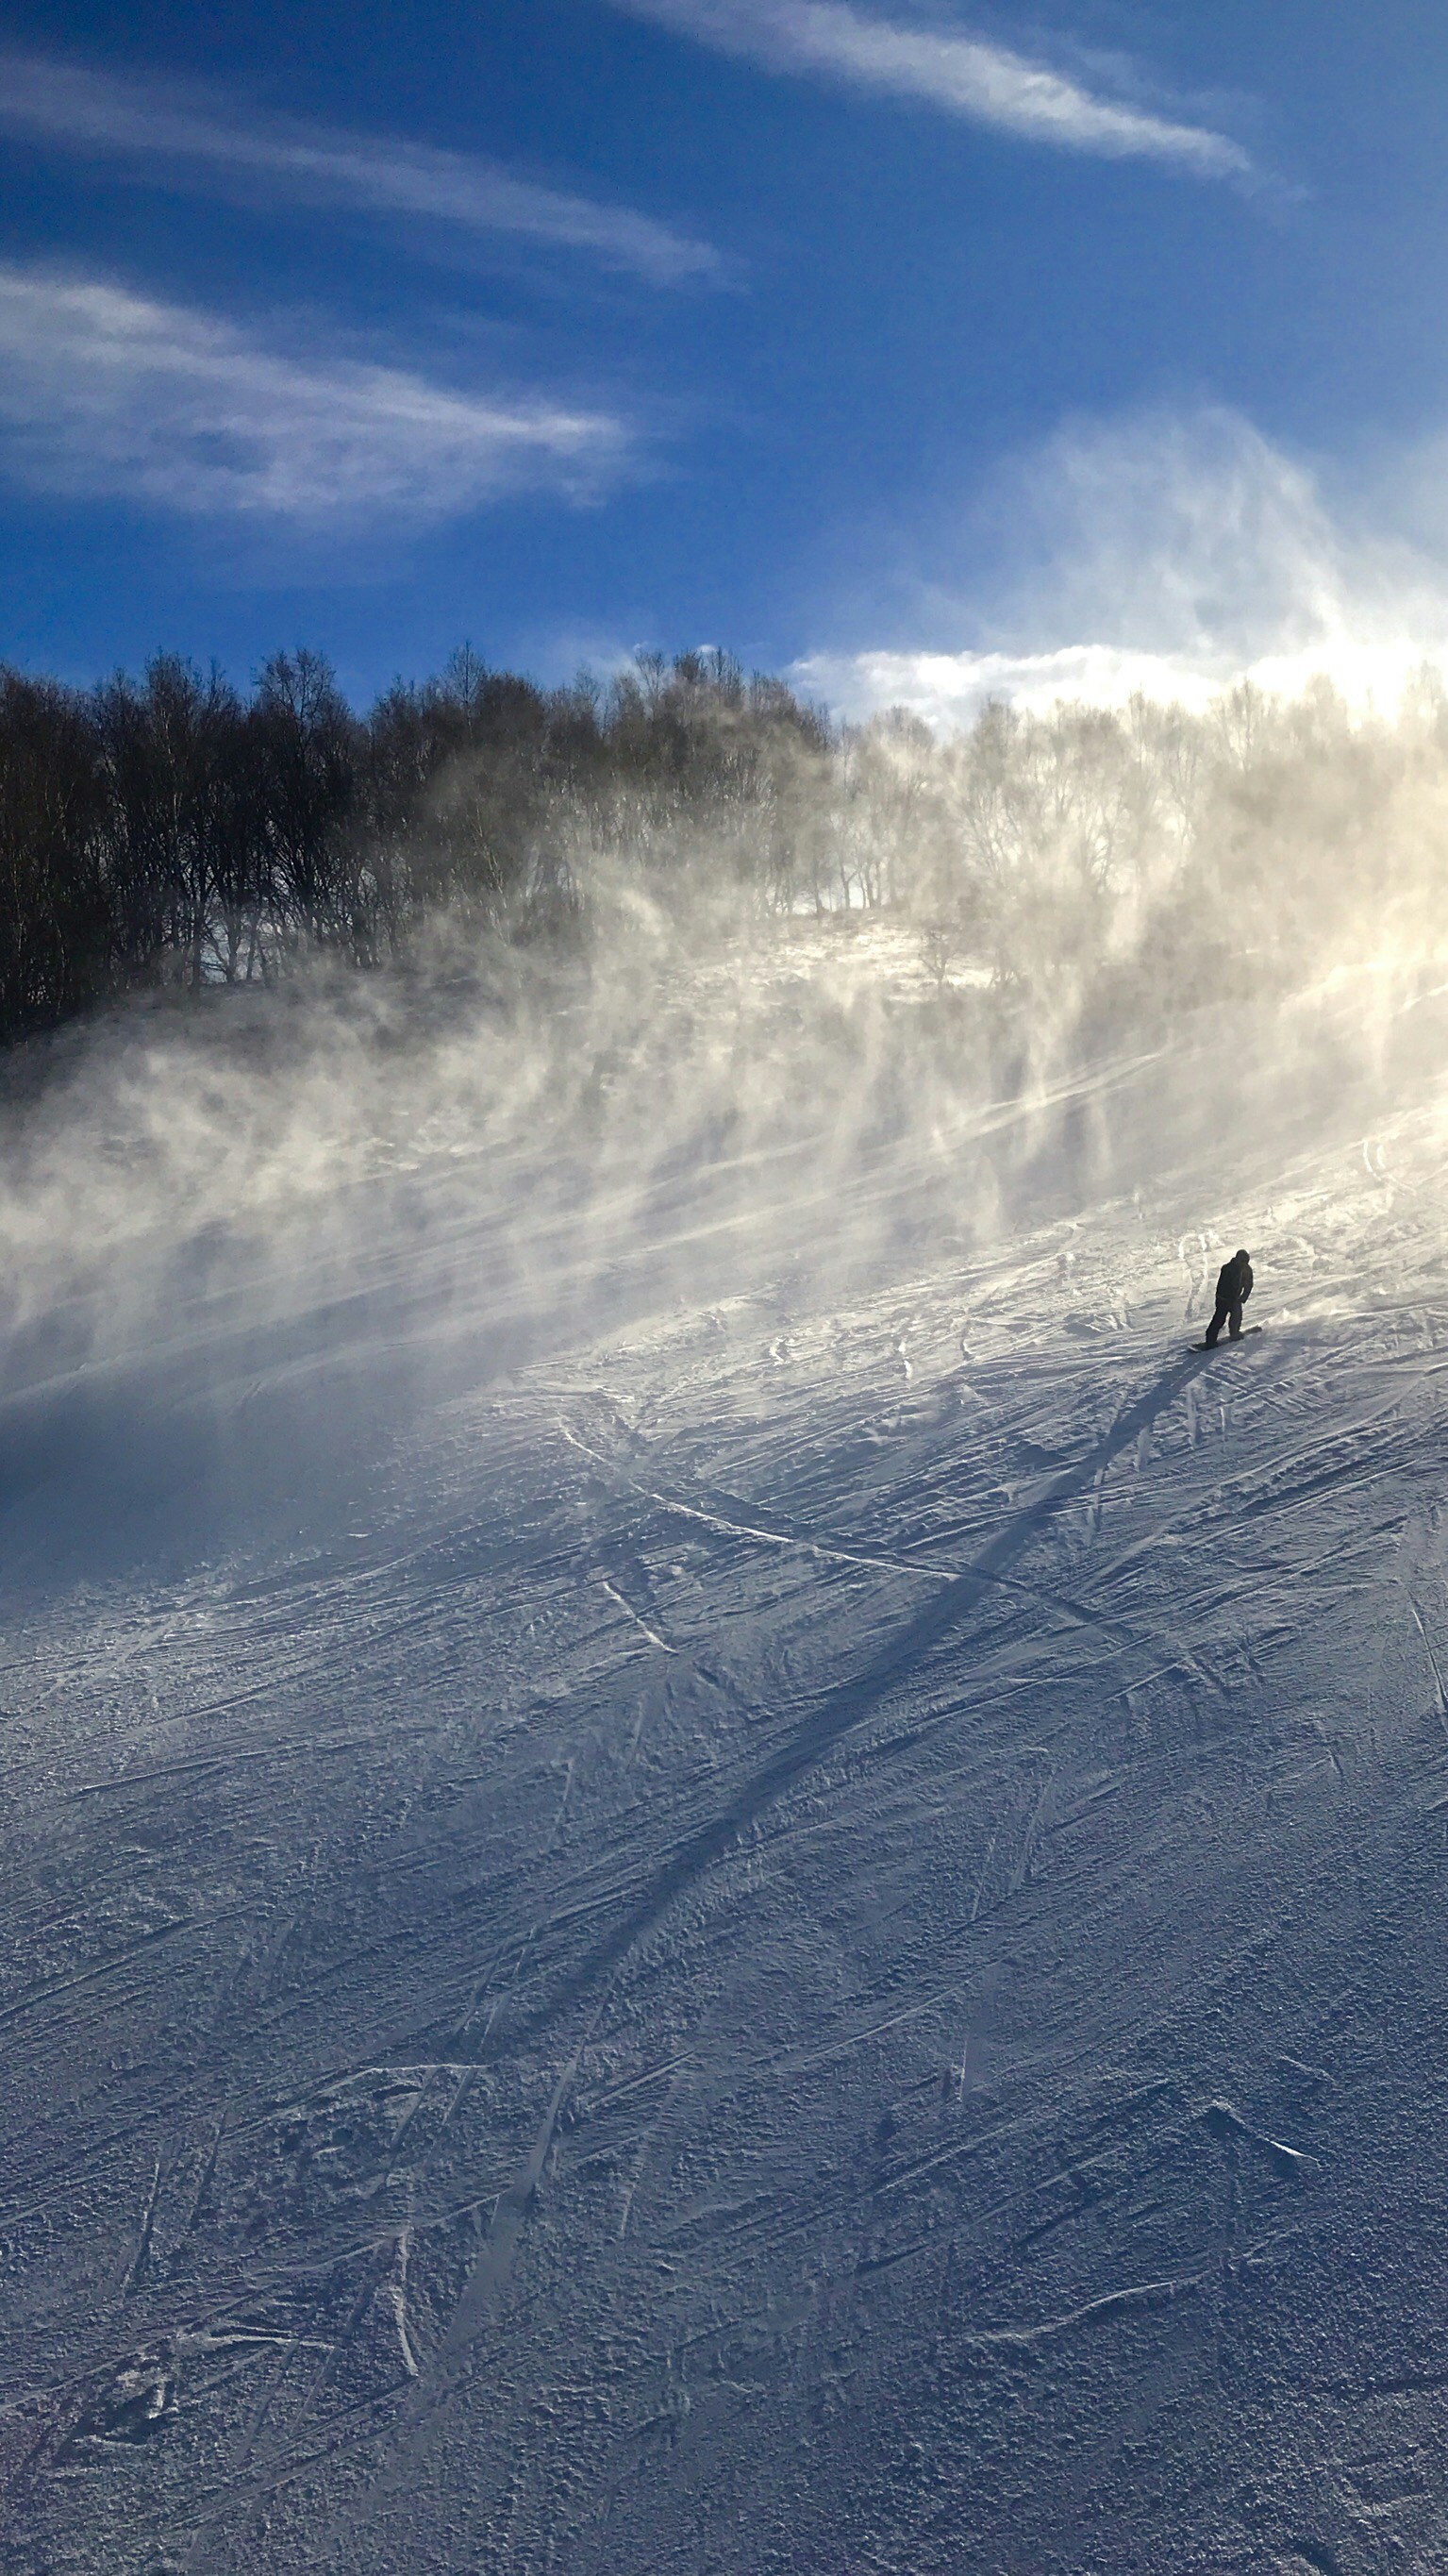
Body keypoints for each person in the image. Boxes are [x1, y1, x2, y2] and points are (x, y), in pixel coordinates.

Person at [1205, 1247, 1254, 1347]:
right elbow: (1224, 1285)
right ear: (1237, 1259)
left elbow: (1249, 1285)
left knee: (1236, 1316)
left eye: (1246, 1261)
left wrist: (1243, 1298)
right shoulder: (1228, 1268)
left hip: (1235, 1299)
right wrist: (1223, 1298)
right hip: (1224, 1299)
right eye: (1242, 1261)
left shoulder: (1247, 1270)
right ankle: (1210, 1341)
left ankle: (1234, 1333)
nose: (1244, 1263)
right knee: (1219, 1319)